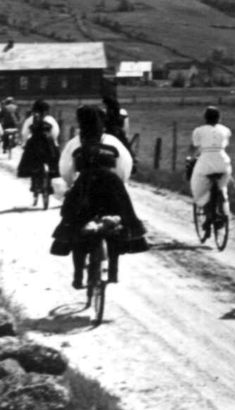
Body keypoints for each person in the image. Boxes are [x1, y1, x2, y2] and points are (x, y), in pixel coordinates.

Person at [51, 105, 149, 289]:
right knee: (116, 226)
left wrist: (72, 184)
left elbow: (65, 170)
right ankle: (113, 270)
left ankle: (78, 275)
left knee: (76, 227)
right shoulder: (112, 141)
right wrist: (119, 183)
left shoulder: (75, 143)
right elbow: (124, 166)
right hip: (111, 187)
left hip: (85, 188)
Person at [189, 105, 232, 241]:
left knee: (198, 187)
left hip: (206, 162)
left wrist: (191, 157)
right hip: (223, 162)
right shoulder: (225, 130)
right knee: (221, 187)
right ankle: (222, 209)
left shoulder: (199, 130)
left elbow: (195, 147)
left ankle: (209, 213)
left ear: (205, 118)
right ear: (219, 118)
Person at [17, 99, 61, 204]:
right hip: (48, 147)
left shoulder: (31, 119)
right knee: (53, 162)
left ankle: (35, 185)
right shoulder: (50, 119)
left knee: (31, 163)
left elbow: (25, 133)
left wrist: (25, 143)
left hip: (34, 146)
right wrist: (54, 142)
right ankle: (49, 182)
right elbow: (56, 132)